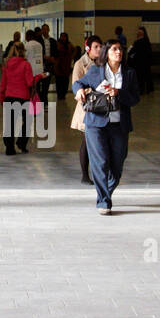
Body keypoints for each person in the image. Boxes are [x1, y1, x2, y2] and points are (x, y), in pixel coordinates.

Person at [74, 39, 141, 214]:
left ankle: (106, 193)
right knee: (100, 161)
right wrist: (79, 91)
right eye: (114, 49)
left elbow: (135, 98)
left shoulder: (129, 73)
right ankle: (103, 201)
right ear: (107, 52)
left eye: (120, 49)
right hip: (96, 123)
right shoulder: (96, 71)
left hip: (119, 124)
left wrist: (119, 93)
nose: (118, 52)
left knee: (117, 165)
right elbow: (78, 83)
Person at [70, 35, 103, 184]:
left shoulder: (104, 63)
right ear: (88, 48)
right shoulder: (80, 64)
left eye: (100, 46)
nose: (99, 49)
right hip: (87, 107)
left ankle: (99, 173)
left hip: (102, 106)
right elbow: (76, 86)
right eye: (96, 47)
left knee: (99, 142)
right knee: (87, 141)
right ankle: (85, 174)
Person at [0, 44, 38, 155]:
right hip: (23, 98)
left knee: (9, 124)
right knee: (28, 121)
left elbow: (3, 83)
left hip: (9, 97)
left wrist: (2, 97)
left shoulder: (7, 65)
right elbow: (30, 82)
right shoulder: (26, 65)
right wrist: (39, 77)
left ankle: (9, 148)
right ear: (23, 51)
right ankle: (21, 142)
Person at [128, 26, 154, 94]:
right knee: (146, 76)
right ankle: (148, 89)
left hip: (139, 62)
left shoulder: (138, 42)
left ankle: (141, 90)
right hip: (145, 61)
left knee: (140, 77)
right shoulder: (146, 41)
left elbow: (133, 51)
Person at [24, 29, 45, 99]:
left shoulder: (27, 45)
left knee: (30, 89)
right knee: (38, 89)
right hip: (40, 70)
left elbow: (25, 57)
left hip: (31, 70)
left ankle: (31, 105)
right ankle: (38, 106)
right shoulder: (39, 45)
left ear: (28, 36)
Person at [53, 32, 74, 102]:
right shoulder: (57, 44)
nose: (63, 38)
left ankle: (63, 95)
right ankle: (59, 95)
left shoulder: (69, 44)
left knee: (65, 81)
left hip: (66, 65)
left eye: (64, 37)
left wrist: (71, 57)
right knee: (59, 81)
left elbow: (75, 50)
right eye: (62, 36)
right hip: (58, 65)